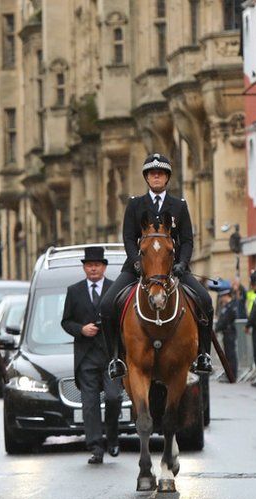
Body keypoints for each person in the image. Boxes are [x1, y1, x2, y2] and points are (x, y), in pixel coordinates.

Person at [98, 153, 214, 378]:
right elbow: (129, 238)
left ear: (167, 178)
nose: (157, 177)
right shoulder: (135, 204)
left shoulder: (179, 206)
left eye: (161, 173)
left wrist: (182, 263)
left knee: (206, 301)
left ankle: (203, 355)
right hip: (139, 267)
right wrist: (136, 262)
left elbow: (188, 240)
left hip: (173, 267)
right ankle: (115, 358)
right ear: (147, 178)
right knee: (106, 305)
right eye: (153, 173)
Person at [60, 246, 119, 464]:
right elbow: (66, 321)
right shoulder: (74, 291)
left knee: (114, 397)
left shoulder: (115, 289)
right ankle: (96, 447)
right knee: (90, 404)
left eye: (96, 265)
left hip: (110, 356)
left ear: (103, 267)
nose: (93, 268)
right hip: (86, 357)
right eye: (89, 265)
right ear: (84, 268)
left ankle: (112, 438)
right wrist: (81, 329)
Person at [214, 288, 238, 380]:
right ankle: (229, 375)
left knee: (231, 356)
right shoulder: (227, 306)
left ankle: (232, 376)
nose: (221, 299)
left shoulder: (231, 306)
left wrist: (217, 329)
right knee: (228, 356)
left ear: (226, 296)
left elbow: (225, 320)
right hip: (226, 333)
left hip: (230, 333)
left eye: (222, 296)